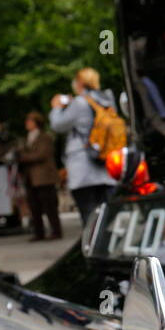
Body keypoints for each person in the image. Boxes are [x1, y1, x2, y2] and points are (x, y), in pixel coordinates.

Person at [50, 67, 116, 223]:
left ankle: (94, 244)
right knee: (106, 211)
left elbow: (58, 125)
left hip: (83, 166)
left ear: (79, 83)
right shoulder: (107, 99)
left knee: (89, 213)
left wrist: (57, 108)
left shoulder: (80, 103)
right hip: (106, 162)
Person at [18, 111, 62, 241]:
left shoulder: (44, 137)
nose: (27, 124)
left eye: (29, 121)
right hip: (31, 178)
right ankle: (39, 232)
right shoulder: (27, 138)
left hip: (44, 177)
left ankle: (56, 231)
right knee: (34, 206)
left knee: (49, 206)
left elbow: (41, 155)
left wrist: (23, 157)